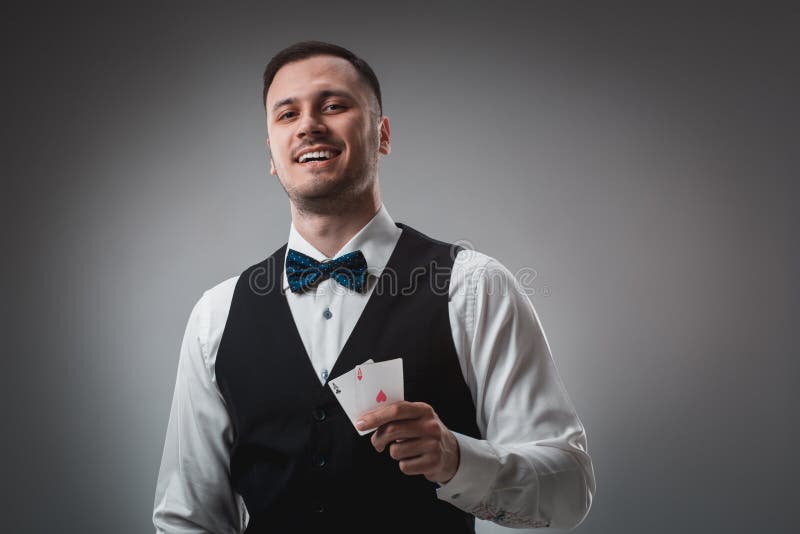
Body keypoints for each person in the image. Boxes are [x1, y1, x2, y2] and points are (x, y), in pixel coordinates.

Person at [153, 41, 596, 533]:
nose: (308, 126)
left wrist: (457, 460)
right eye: (286, 114)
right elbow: (189, 518)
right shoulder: (216, 315)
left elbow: (569, 492)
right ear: (273, 155)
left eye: (334, 105)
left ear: (382, 135)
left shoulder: (473, 287)